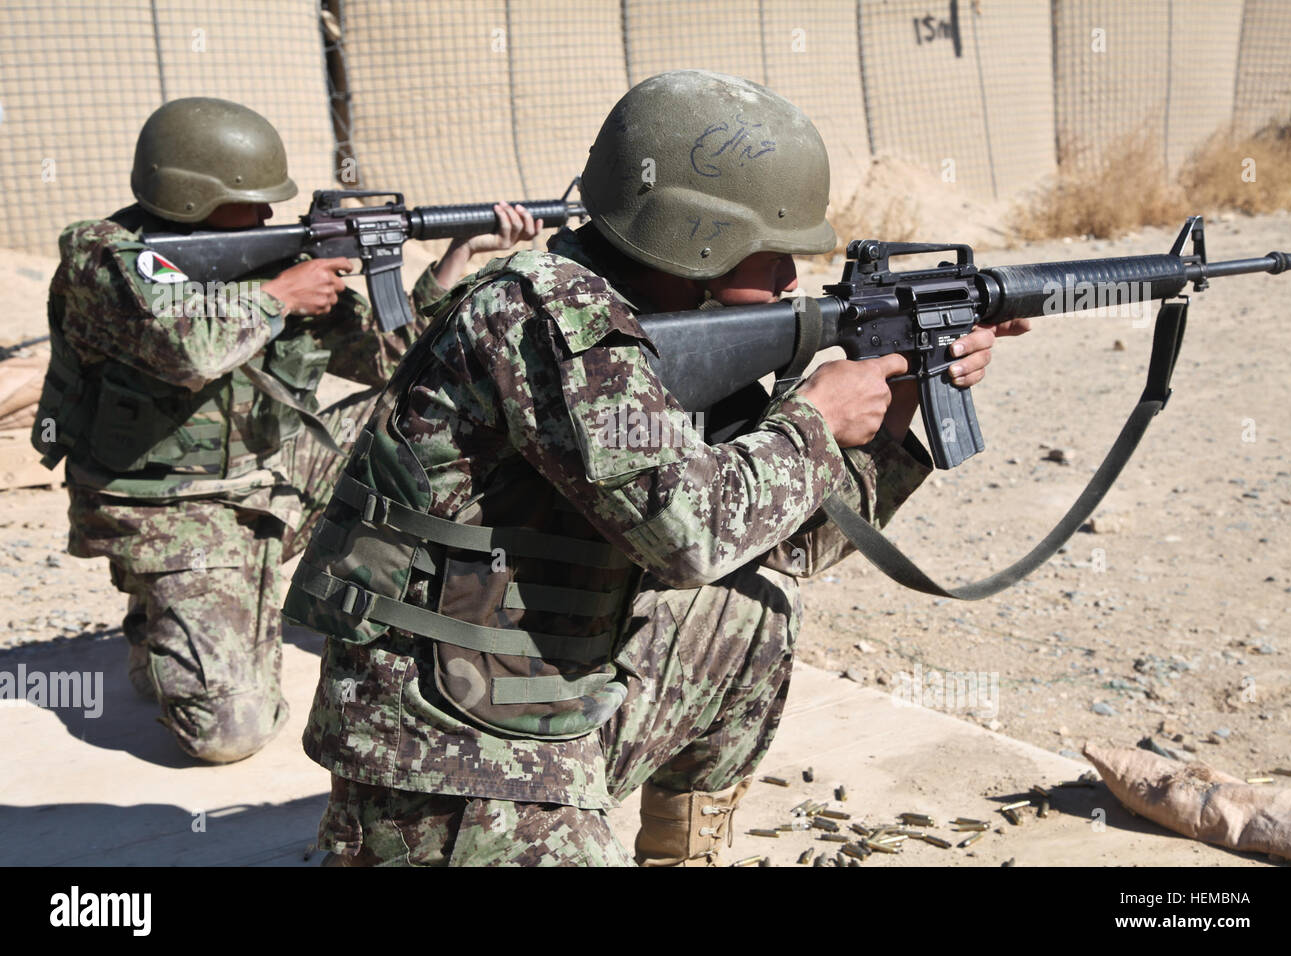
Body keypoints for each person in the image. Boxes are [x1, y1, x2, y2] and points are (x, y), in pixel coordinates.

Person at [284, 70, 1029, 866]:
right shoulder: (550, 315)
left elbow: (790, 548)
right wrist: (814, 420)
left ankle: (678, 848)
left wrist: (902, 401)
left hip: (532, 687)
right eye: (773, 255)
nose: (791, 283)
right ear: (693, 237)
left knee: (752, 609)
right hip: (433, 743)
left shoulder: (642, 333)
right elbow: (688, 537)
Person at [31, 96, 538, 764]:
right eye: (254, 201)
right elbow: (185, 350)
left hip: (269, 473)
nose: (273, 216)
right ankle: (166, 612)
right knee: (230, 735)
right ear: (192, 199)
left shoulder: (277, 265)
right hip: (164, 507)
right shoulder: (105, 259)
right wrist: (279, 298)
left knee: (426, 415)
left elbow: (394, 360)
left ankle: (423, 612)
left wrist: (456, 258)